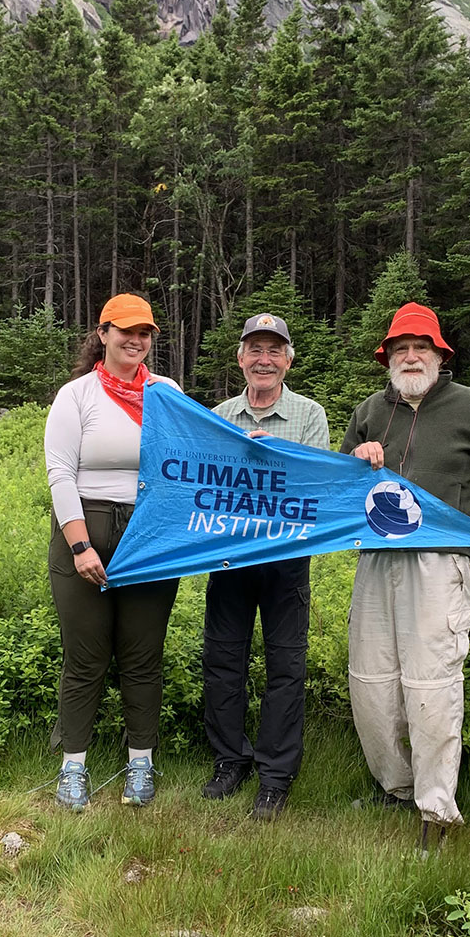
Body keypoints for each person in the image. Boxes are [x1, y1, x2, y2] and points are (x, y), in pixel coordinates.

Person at [342, 303, 470, 848]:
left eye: (421, 347)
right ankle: (395, 787)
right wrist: (357, 458)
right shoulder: (369, 411)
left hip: (440, 562)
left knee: (432, 684)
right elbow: (339, 486)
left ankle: (436, 810)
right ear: (388, 359)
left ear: (440, 355)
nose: (411, 356)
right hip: (376, 559)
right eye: (401, 349)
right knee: (371, 682)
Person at [44, 293, 182, 811]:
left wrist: (248, 443)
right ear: (102, 334)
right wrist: (80, 546)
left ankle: (140, 764)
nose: (136, 340)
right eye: (125, 330)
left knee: (142, 657)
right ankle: (73, 768)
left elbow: (199, 451)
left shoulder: (166, 392)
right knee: (86, 659)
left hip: (149, 539)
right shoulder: (77, 396)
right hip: (85, 535)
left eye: (145, 332)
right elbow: (61, 473)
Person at [201, 313, 330, 821]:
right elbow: (203, 483)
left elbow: (317, 484)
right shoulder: (219, 415)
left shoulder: (310, 415)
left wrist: (272, 456)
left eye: (274, 351)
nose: (264, 360)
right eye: (255, 349)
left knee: (286, 668)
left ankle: (275, 776)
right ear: (240, 359)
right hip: (230, 557)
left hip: (286, 559)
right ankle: (230, 760)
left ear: (288, 361)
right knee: (222, 662)